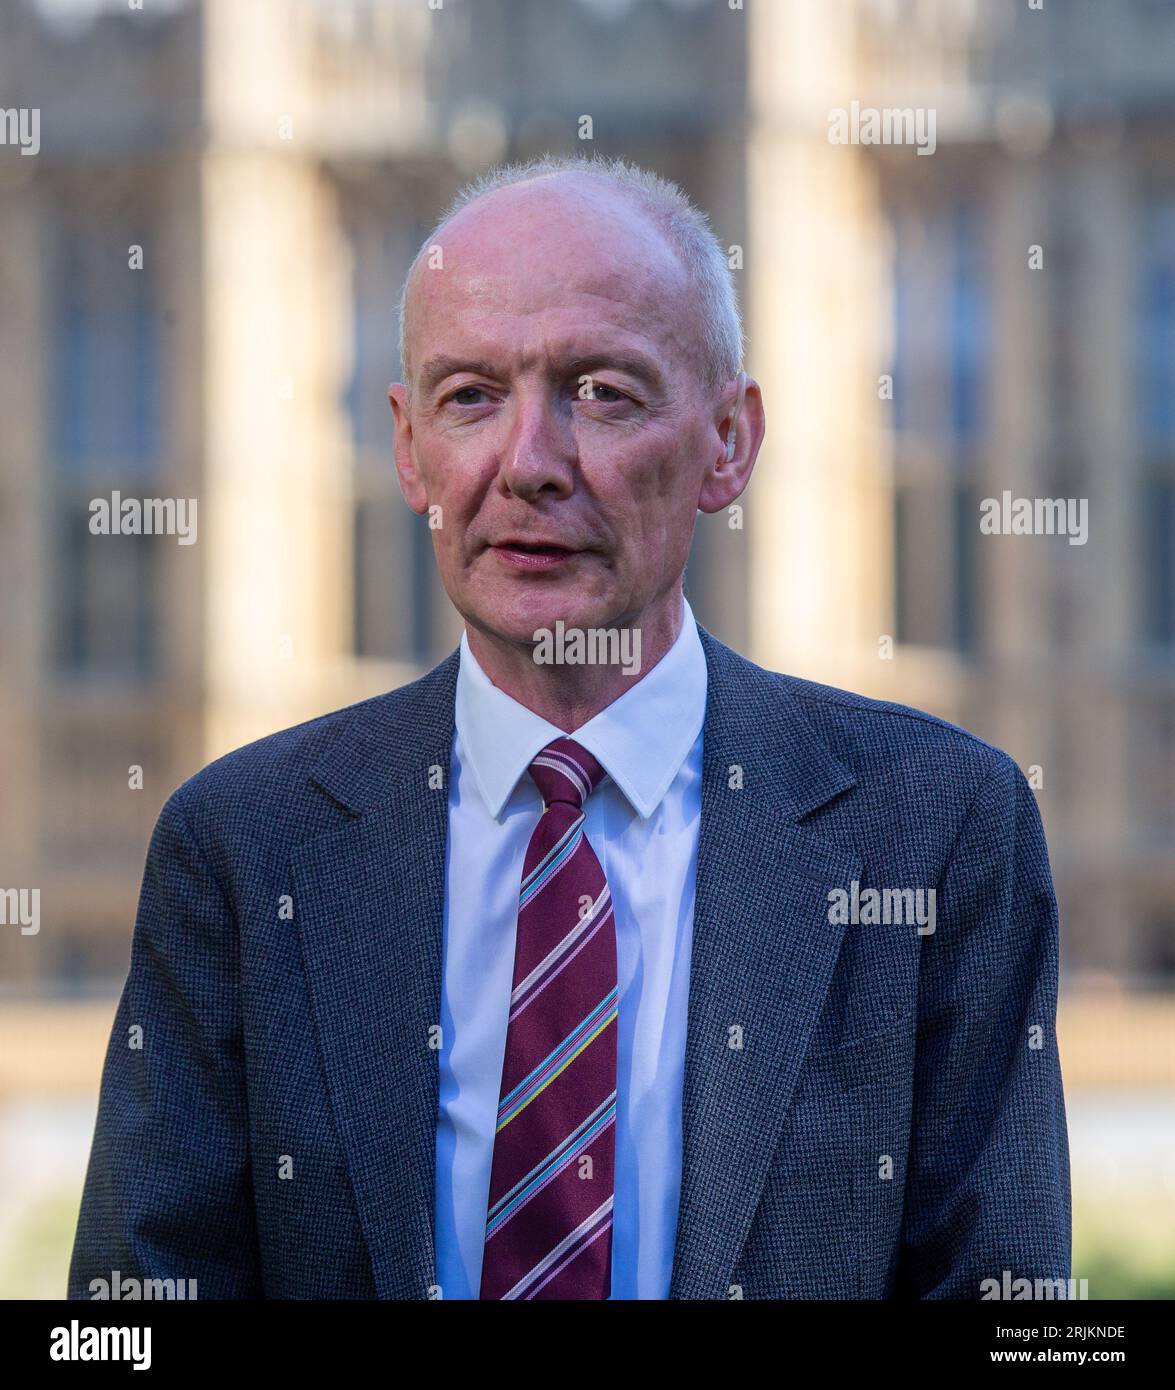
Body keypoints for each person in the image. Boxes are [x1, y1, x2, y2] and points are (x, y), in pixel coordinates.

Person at [69, 154, 1070, 1300]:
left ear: (728, 443)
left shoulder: (936, 827)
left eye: (601, 392)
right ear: (407, 450)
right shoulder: (240, 845)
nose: (529, 463)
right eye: (470, 398)